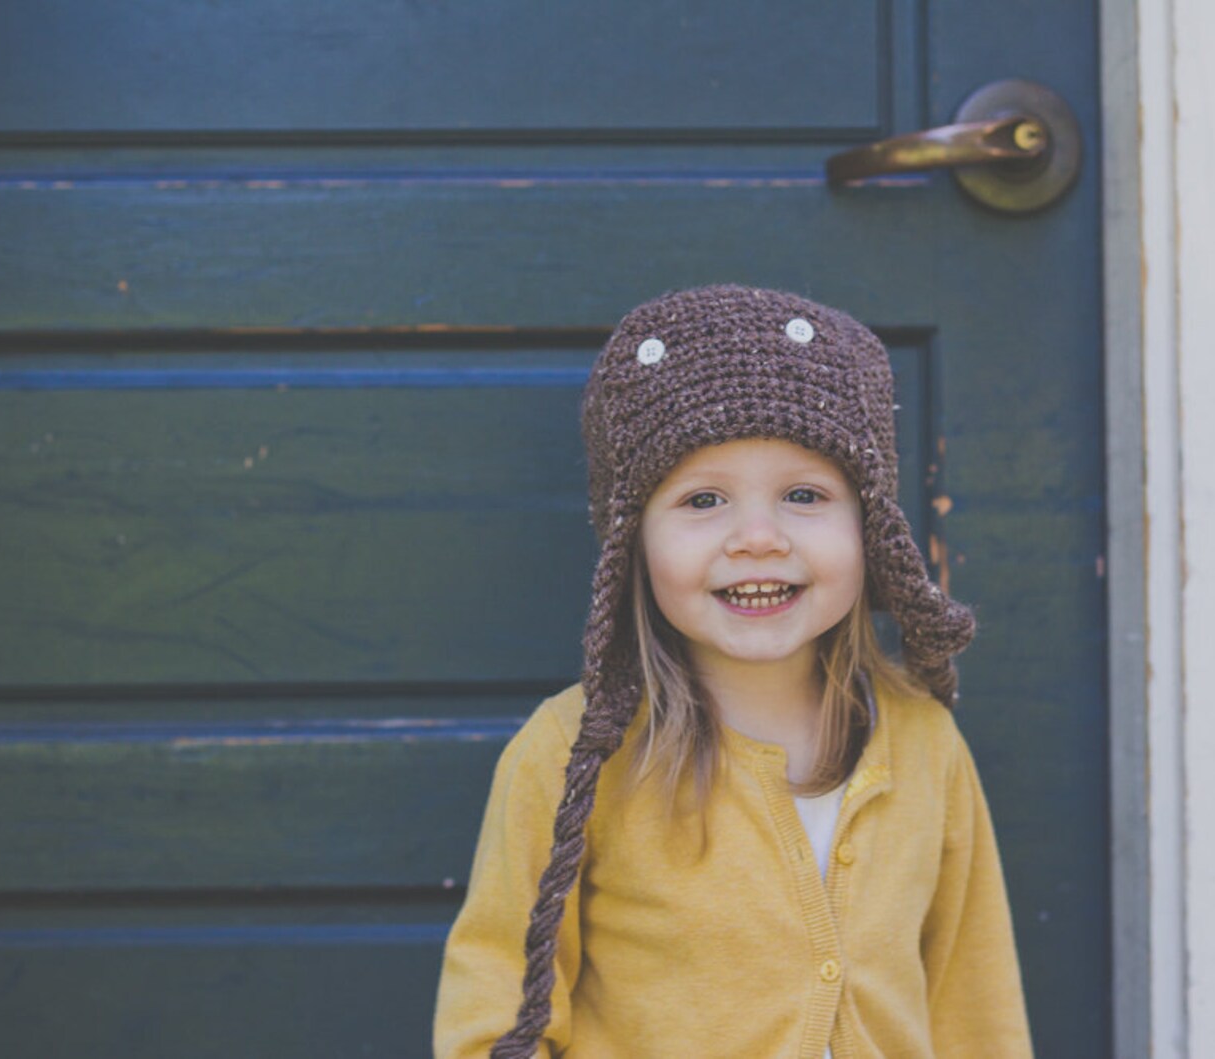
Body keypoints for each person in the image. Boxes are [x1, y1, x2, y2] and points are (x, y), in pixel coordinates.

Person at [433, 285, 1031, 1058]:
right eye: (704, 498)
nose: (757, 537)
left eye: (804, 494)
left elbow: (974, 1006)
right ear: (633, 542)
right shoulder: (573, 756)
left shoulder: (923, 740)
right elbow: (497, 1014)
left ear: (871, 525)